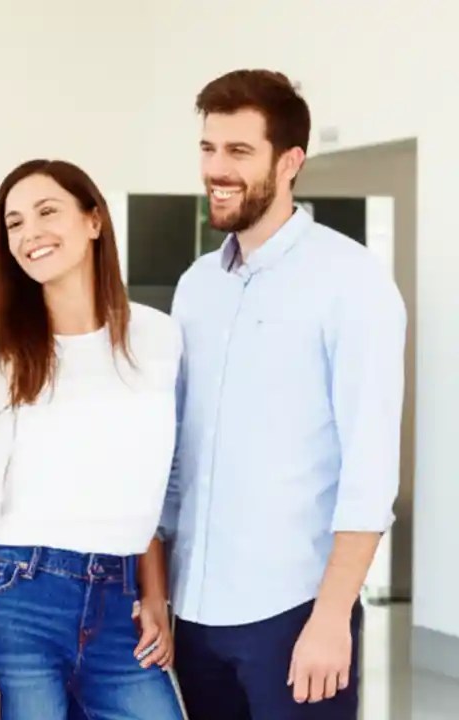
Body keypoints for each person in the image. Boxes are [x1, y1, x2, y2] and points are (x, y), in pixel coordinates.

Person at [163, 69, 407, 719]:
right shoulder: (195, 289)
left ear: (290, 161)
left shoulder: (349, 282)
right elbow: (178, 457)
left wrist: (331, 619)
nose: (217, 169)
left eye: (239, 152)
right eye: (209, 149)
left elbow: (370, 466)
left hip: (294, 614)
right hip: (194, 615)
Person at [0, 159, 185, 720]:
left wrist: (154, 595)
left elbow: (151, 484)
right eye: (15, 223)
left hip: (122, 608)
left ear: (94, 220)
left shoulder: (159, 338)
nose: (30, 234)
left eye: (47, 212)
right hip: (21, 602)